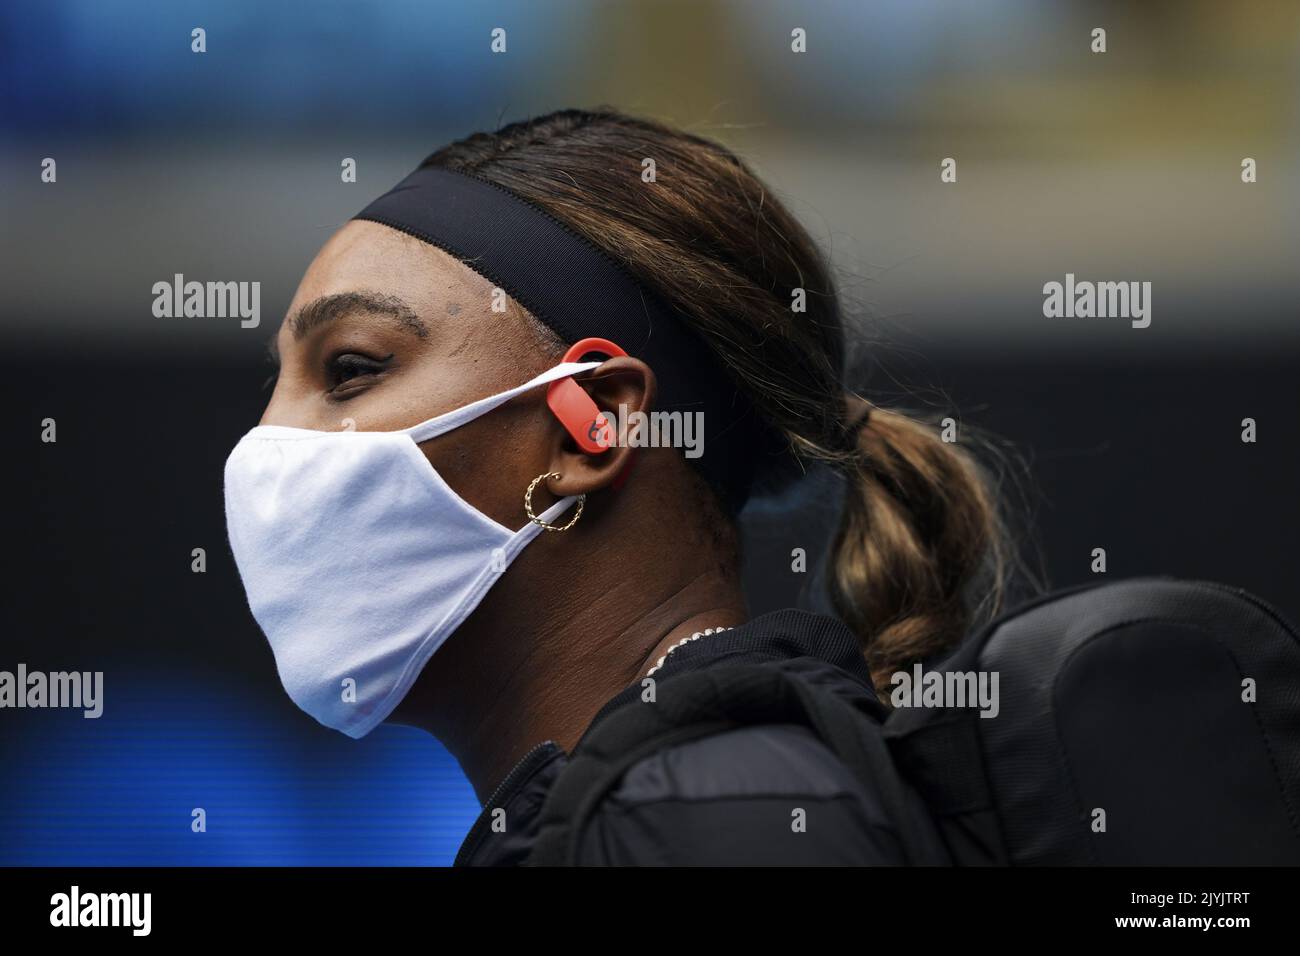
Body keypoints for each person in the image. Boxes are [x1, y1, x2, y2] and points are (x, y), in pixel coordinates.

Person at [223, 108, 1008, 865]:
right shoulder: (662, 802)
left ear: (590, 425)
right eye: (278, 380)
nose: (266, 446)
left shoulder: (712, 814)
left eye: (351, 368)